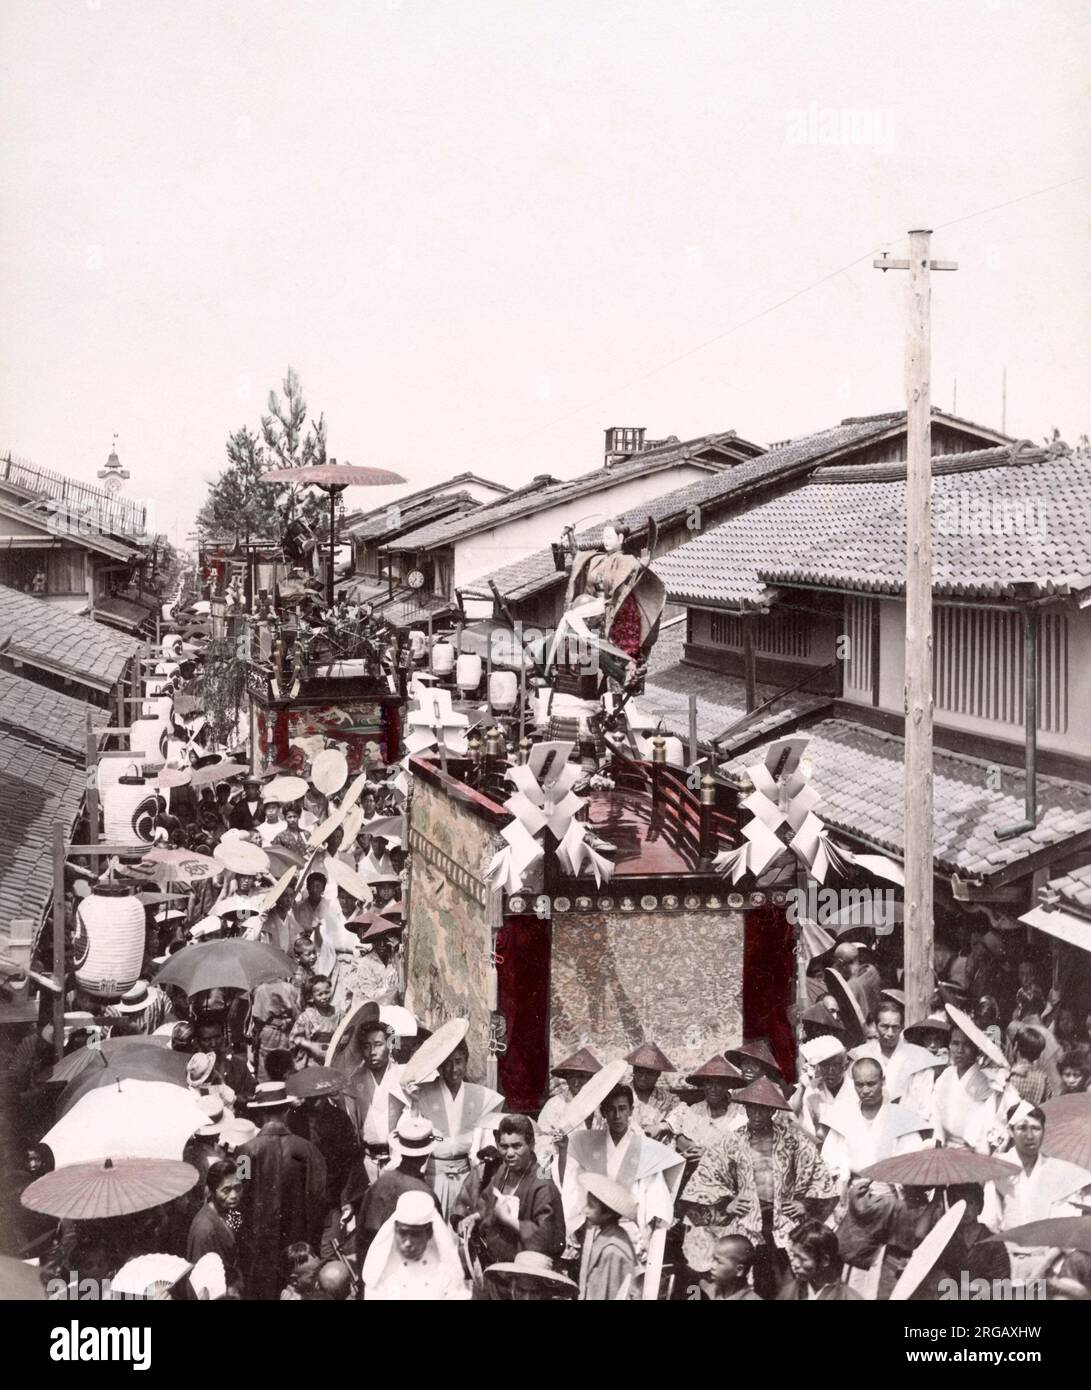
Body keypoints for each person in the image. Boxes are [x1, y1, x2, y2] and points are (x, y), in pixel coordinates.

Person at [681, 1076, 839, 1299]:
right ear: (745, 1108)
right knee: (745, 1282)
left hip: (784, 1222)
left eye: (762, 1109)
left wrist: (804, 1203)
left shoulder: (794, 1141)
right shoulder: (731, 1141)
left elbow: (818, 1173)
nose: (756, 1115)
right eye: (751, 1108)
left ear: (772, 1110)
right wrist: (727, 1203)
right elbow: (707, 1177)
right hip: (745, 1220)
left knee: (786, 1285)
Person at [561, 1082, 683, 1292]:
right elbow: (577, 1189)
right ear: (603, 1112)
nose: (617, 1116)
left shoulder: (645, 1150)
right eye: (611, 1109)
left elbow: (656, 1200)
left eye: (622, 1108)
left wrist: (646, 1236)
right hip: (596, 1231)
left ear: (631, 1110)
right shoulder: (591, 1146)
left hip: (632, 1233)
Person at [238, 1081, 328, 1301]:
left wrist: (239, 1235)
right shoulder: (308, 1149)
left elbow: (237, 1199)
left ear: (260, 1114)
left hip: (257, 1246)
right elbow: (319, 1199)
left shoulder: (244, 1152)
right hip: (297, 1247)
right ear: (286, 1111)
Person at [454, 1115, 565, 1285]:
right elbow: (488, 1201)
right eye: (504, 1146)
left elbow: (549, 1238)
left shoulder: (543, 1181)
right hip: (495, 1269)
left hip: (525, 1278)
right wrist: (475, 1217)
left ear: (531, 1144)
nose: (510, 1153)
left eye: (517, 1146)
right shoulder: (504, 1170)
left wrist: (510, 1220)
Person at [413, 1036, 504, 1222]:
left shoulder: (480, 1096)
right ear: (440, 1065)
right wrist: (440, 1139)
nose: (453, 1069)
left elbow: (483, 1140)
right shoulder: (423, 1094)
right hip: (434, 1176)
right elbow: (420, 1134)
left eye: (458, 1061)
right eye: (447, 1063)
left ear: (466, 1062)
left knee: (462, 1228)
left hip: (466, 1178)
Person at [819, 1058, 930, 1189]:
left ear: (883, 1081)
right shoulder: (844, 1117)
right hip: (853, 1189)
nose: (865, 1090)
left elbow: (911, 1160)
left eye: (871, 1084)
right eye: (859, 1085)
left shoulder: (900, 1117)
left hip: (890, 1190)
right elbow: (830, 1160)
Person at [350, 1113, 441, 1263]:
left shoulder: (379, 1184)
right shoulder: (425, 1194)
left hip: (374, 1264)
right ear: (426, 1154)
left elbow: (363, 1232)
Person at [361, 1190, 469, 1301]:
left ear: (429, 1233)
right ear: (395, 1229)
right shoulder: (381, 1268)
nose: (407, 1243)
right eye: (403, 1233)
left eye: (415, 1234)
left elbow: (457, 1295)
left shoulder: (445, 1269)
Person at [341, 1005, 406, 1176]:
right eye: (366, 1046)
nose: (372, 1052)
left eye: (378, 1045)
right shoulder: (354, 1080)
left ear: (390, 1045)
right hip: (368, 1160)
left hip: (399, 1158)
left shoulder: (402, 1076)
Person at [851, 998, 937, 1114]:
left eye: (895, 1027)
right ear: (876, 1026)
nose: (890, 1033)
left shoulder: (919, 1057)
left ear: (902, 1027)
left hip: (908, 1120)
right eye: (884, 1026)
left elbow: (924, 1104)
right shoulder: (860, 1054)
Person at [535, 1046, 603, 1176]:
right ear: (566, 1078)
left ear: (591, 1079)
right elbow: (539, 1139)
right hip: (562, 1165)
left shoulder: (600, 1106)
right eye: (572, 1077)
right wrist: (557, 1144)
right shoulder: (555, 1105)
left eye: (582, 1077)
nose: (576, 1083)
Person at [667, 1055, 745, 1162]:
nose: (713, 1089)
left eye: (719, 1083)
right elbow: (682, 1138)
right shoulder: (696, 1109)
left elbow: (738, 1148)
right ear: (703, 1085)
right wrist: (692, 1149)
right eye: (708, 1083)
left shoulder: (739, 1113)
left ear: (727, 1086)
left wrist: (708, 1154)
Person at [186, 1159, 244, 1298]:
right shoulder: (204, 1229)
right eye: (226, 1190)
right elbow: (200, 1282)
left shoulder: (231, 1212)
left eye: (237, 1188)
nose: (234, 1196)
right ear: (212, 1191)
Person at [577, 1172, 638, 1301]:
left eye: (591, 1206)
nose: (585, 1210)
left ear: (608, 1214)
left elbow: (608, 1292)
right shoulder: (610, 1234)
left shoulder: (612, 1250)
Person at [777, 1220, 861, 1301]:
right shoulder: (789, 1292)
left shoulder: (849, 1297)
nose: (795, 1264)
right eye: (794, 1256)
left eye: (802, 1259)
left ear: (825, 1260)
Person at [792, 1035, 848, 1140]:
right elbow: (791, 1115)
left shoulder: (855, 1087)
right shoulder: (812, 1088)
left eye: (836, 1065)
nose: (830, 1071)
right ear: (819, 1067)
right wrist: (802, 1087)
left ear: (845, 1065)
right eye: (825, 1065)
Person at [249, 979, 299, 1081]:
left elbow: (257, 1017)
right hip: (287, 1031)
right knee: (286, 1059)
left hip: (268, 1031)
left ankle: (267, 1085)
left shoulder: (261, 989)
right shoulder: (289, 988)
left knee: (266, 1060)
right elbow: (297, 1012)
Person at [625, 1041, 677, 1138]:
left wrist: (661, 1126)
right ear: (634, 1070)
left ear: (658, 1074)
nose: (643, 1078)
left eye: (650, 1073)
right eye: (640, 1072)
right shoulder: (621, 1093)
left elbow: (683, 1114)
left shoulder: (668, 1099)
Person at [290, 975, 340, 1069]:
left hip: (334, 1060)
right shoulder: (306, 1016)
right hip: (313, 1063)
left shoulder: (338, 1013)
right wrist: (310, 1045)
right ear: (311, 997)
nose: (324, 997)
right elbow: (294, 1038)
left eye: (327, 992)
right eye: (320, 994)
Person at [695, 1234, 763, 1301]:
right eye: (713, 1259)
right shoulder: (705, 1290)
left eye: (719, 1262)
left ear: (739, 1270)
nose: (712, 1266)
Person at [1008, 1027, 1054, 1106]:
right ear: (1038, 1055)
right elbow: (1048, 1105)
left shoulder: (1007, 1076)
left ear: (1016, 1046)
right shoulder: (1043, 1078)